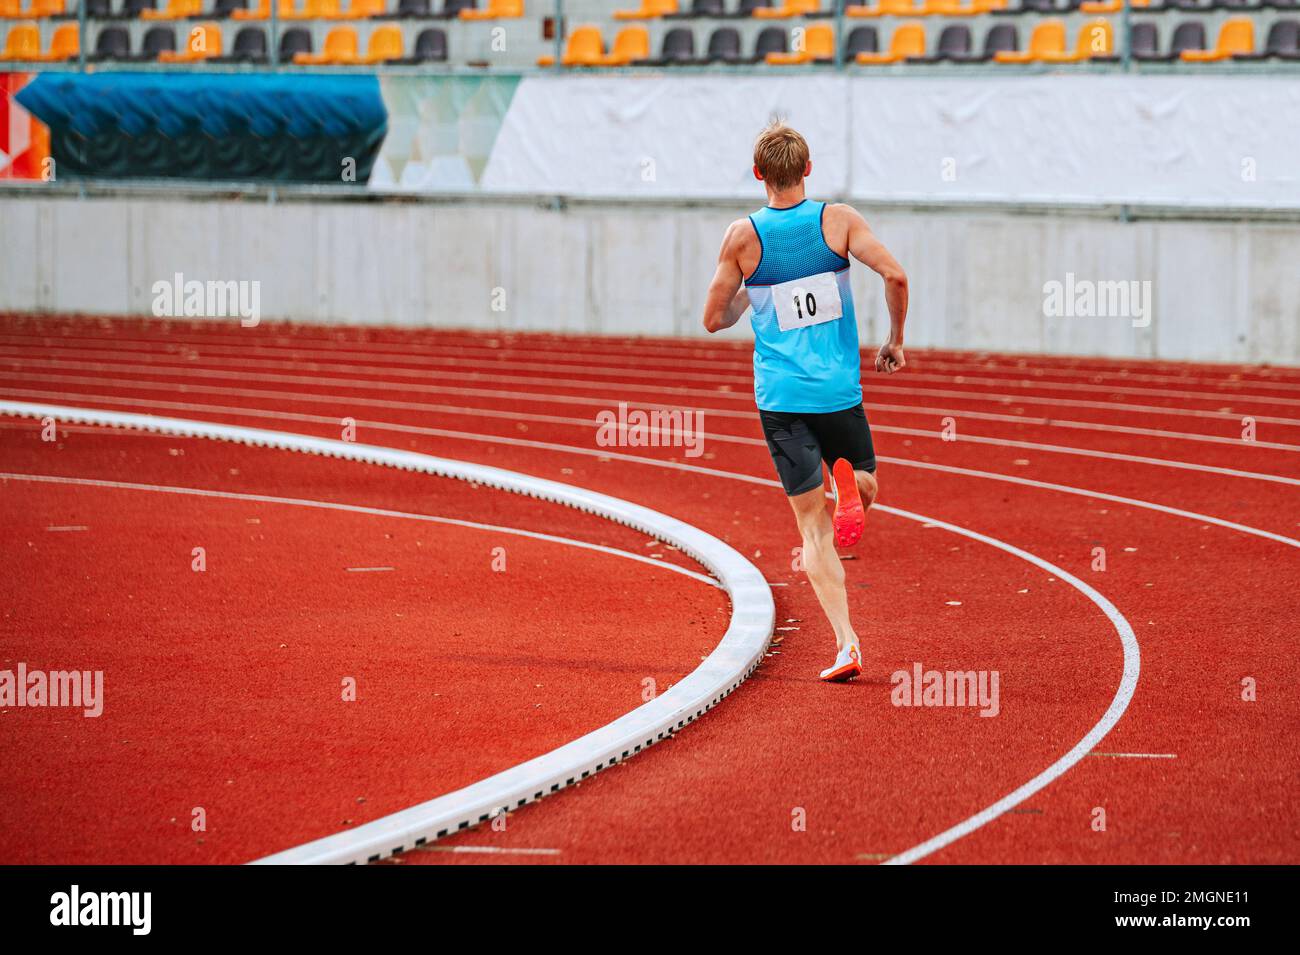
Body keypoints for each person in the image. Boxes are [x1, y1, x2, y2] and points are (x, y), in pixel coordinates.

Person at [700, 120, 909, 683]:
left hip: (781, 398)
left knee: (813, 531)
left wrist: (756, 290)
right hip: (839, 392)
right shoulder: (838, 221)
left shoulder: (742, 237)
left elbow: (714, 320)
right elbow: (895, 275)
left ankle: (846, 644)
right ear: (809, 170)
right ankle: (852, 485)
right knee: (867, 486)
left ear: (759, 174)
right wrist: (894, 340)